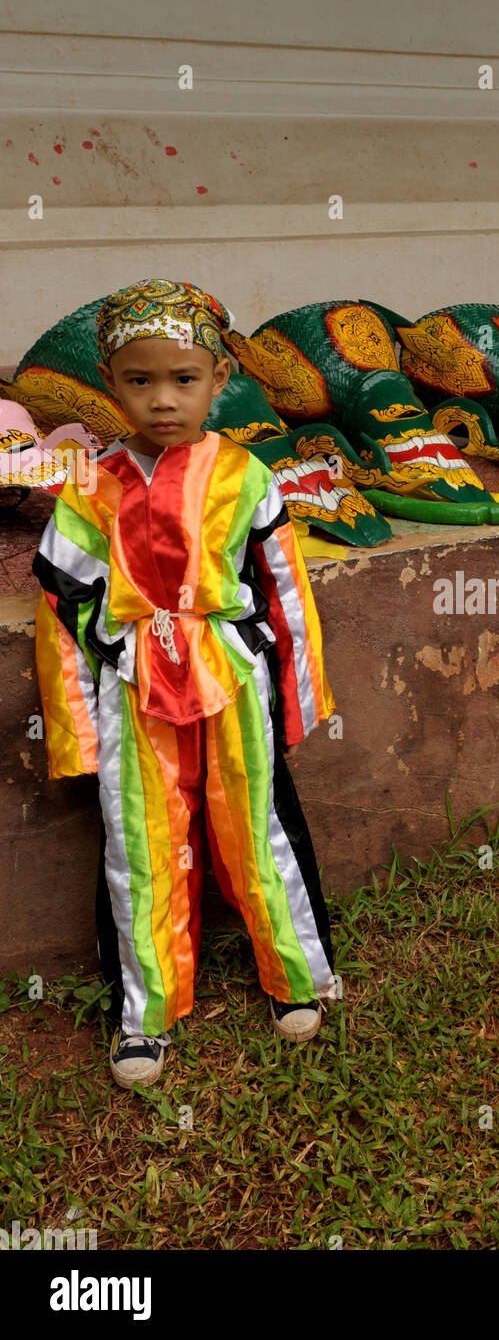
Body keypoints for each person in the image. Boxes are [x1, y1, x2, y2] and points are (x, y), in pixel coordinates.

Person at [31, 278, 339, 1089]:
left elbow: (283, 590)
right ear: (111, 386)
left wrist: (295, 698)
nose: (162, 400)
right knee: (140, 839)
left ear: (218, 381)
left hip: (231, 680)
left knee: (255, 823)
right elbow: (60, 614)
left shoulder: (246, 478)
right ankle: (146, 1011)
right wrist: (75, 729)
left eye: (183, 379)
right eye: (139, 380)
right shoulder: (88, 490)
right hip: (132, 688)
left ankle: (295, 976)